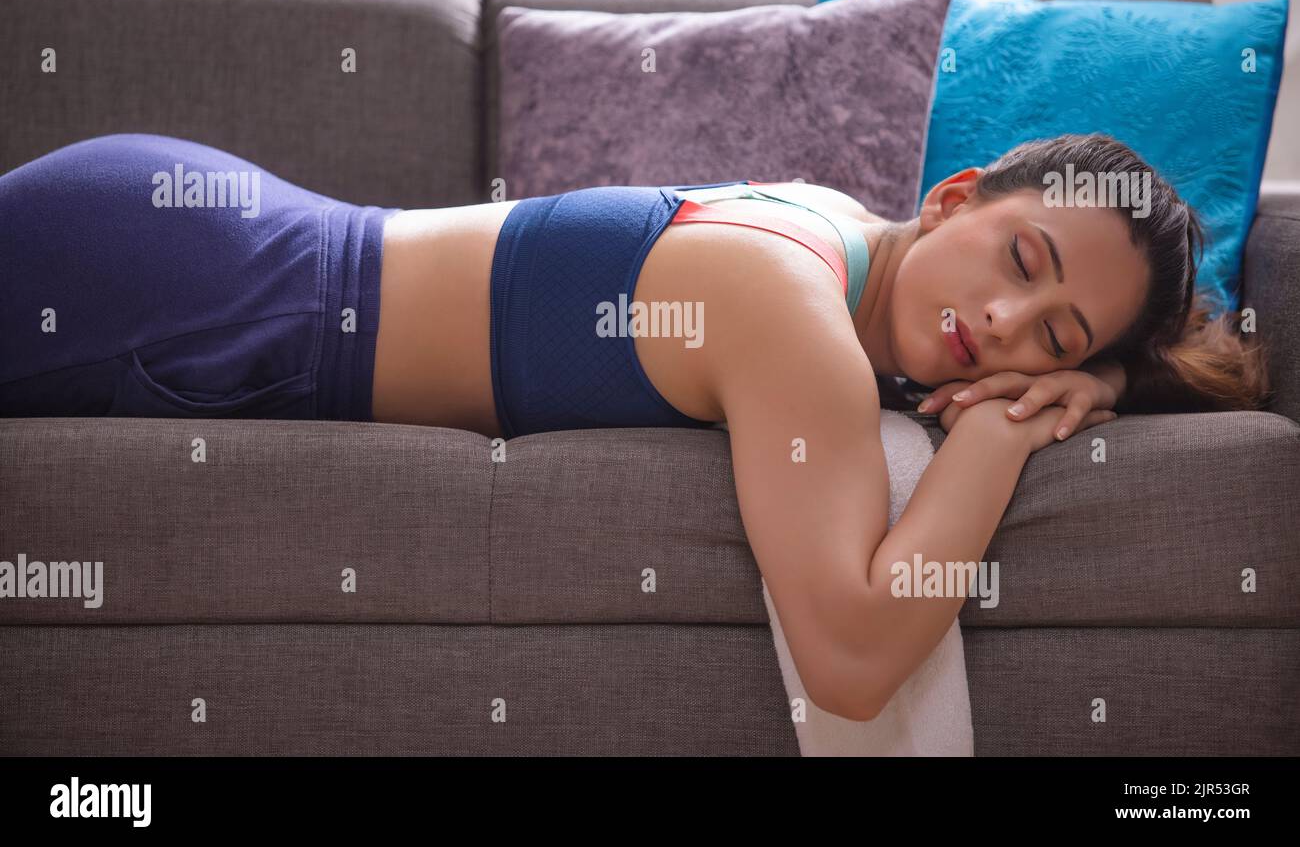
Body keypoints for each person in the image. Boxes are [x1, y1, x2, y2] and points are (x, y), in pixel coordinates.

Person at [0, 131, 1269, 719]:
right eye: (1021, 258)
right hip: (180, 279)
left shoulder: (838, 242)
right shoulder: (792, 315)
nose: (1000, 324)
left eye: (1052, 336)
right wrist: (996, 442)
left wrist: (1103, 386)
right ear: (950, 199)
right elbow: (852, 661)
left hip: (207, 247)